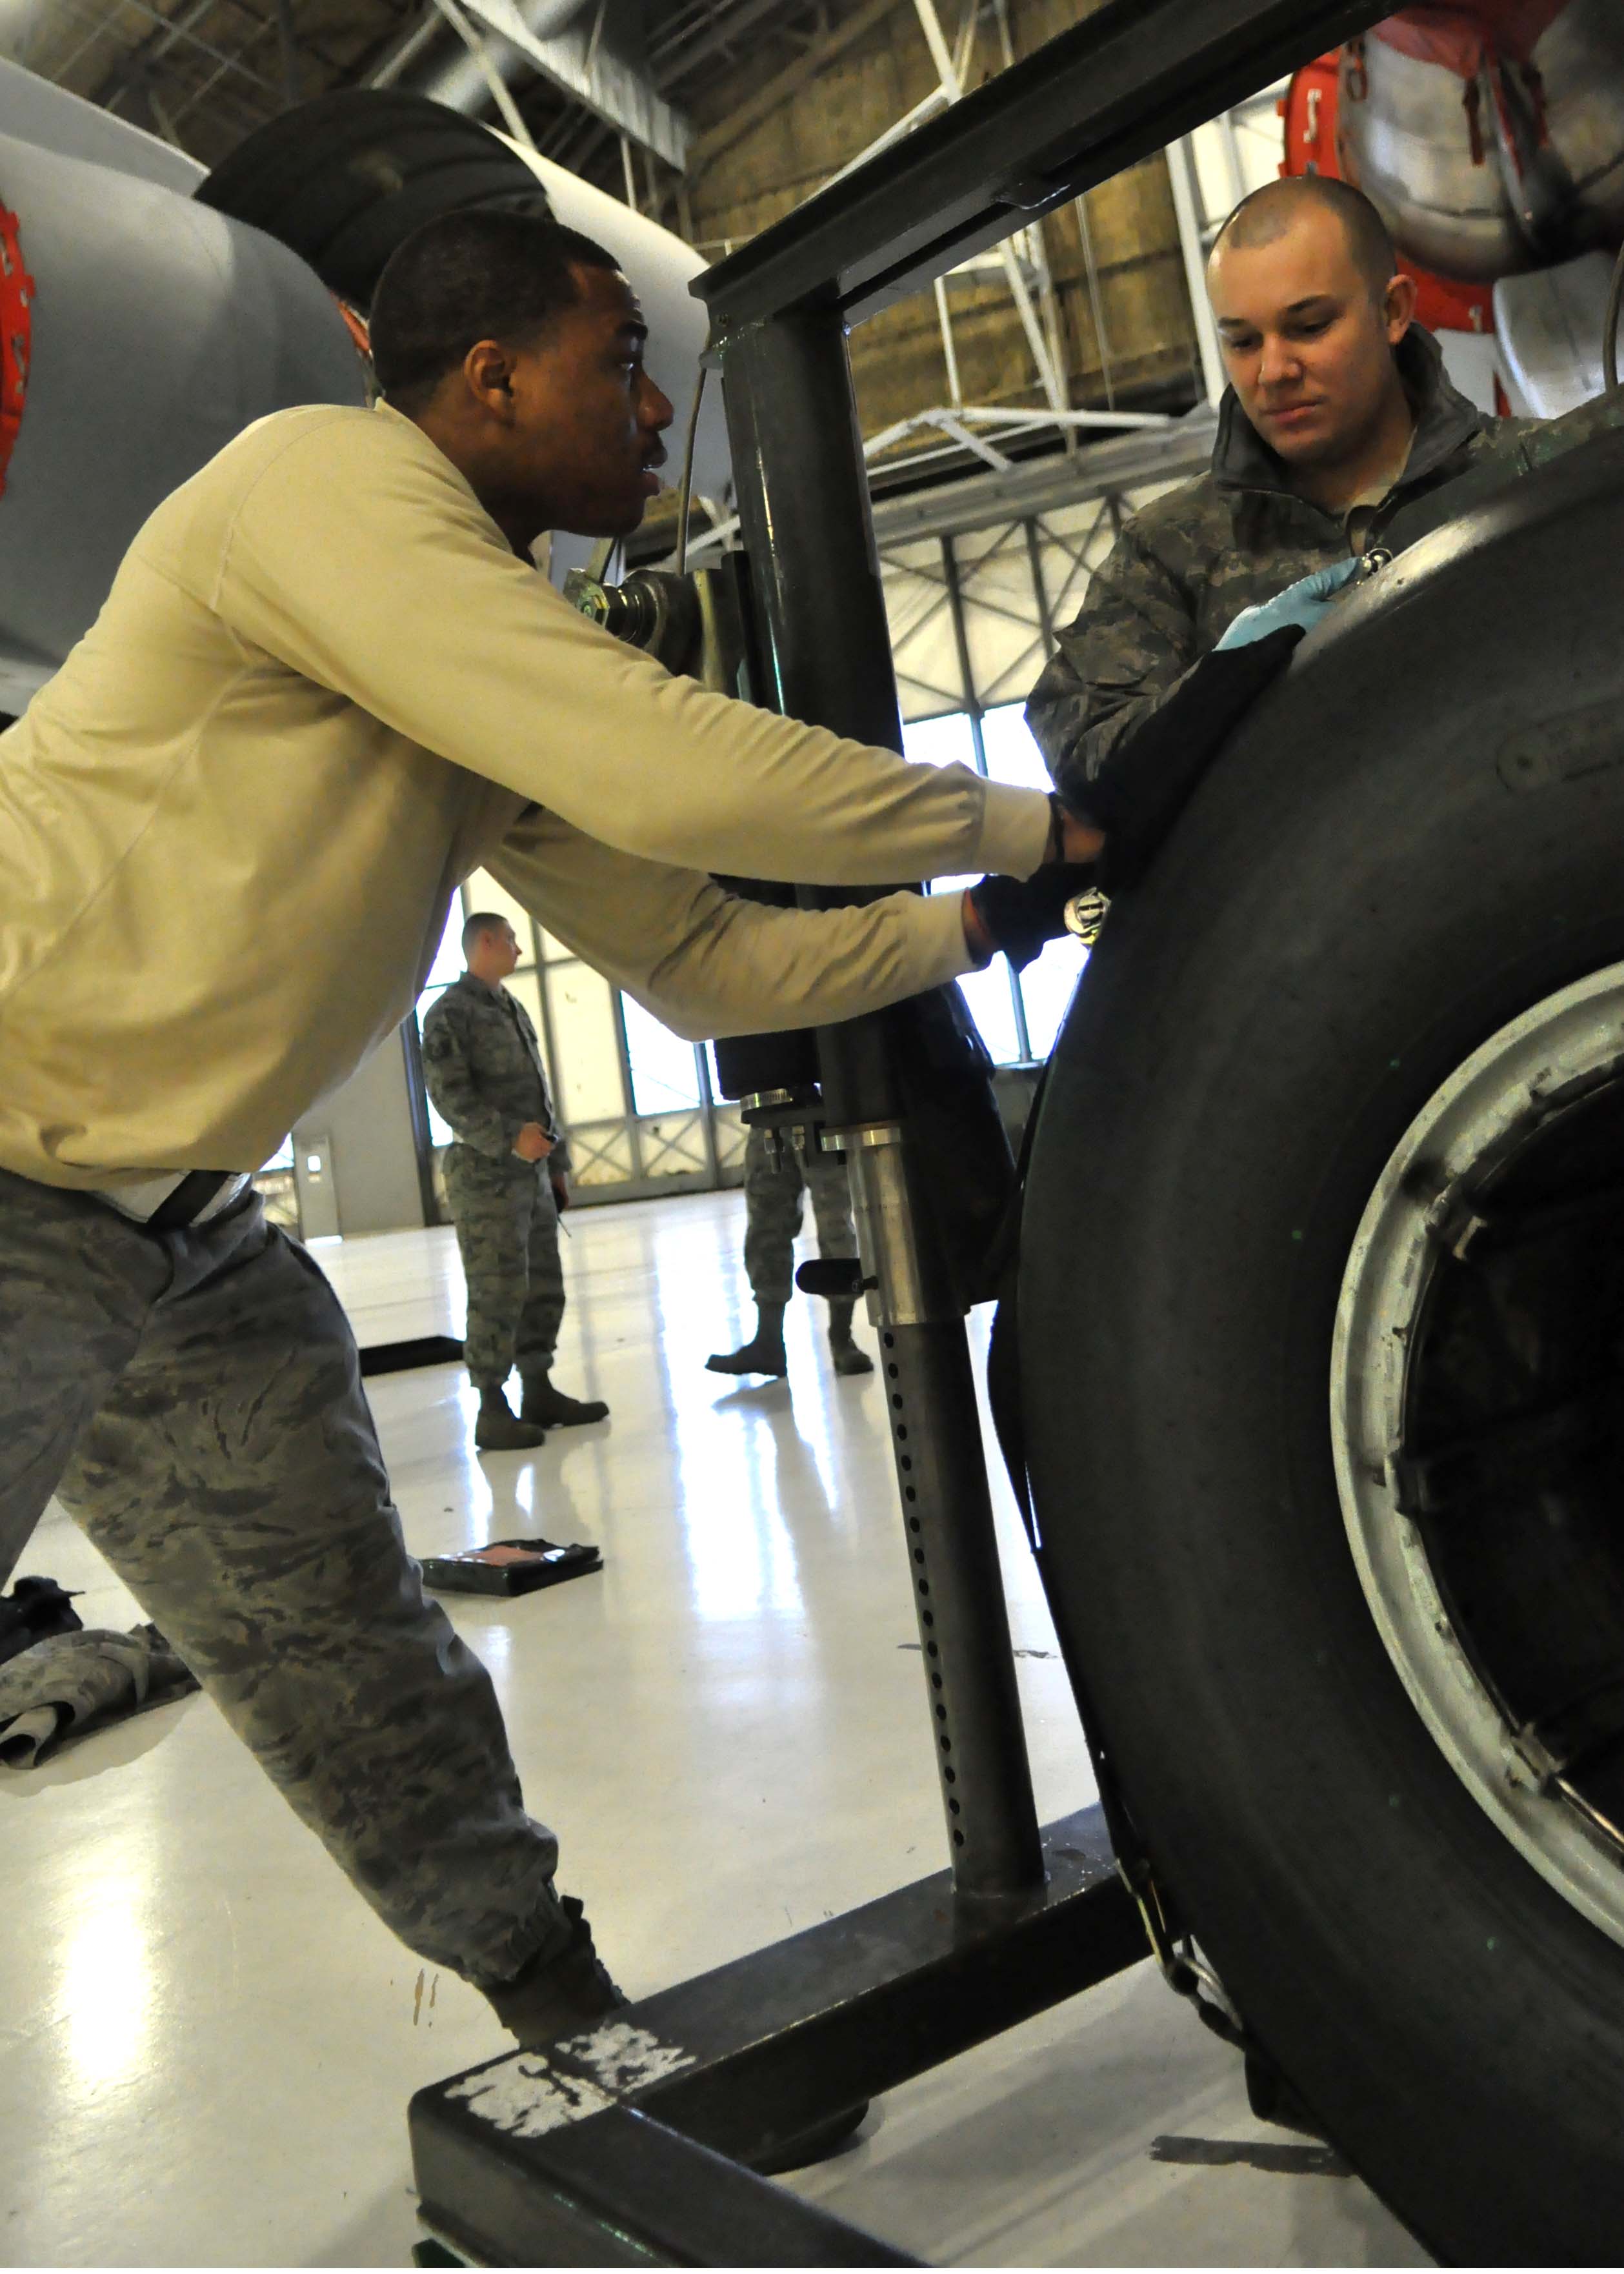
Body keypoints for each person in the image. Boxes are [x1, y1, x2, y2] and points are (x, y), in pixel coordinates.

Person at [0, 207, 1102, 2047]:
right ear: (489, 378)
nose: (655, 408)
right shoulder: (320, 484)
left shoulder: (467, 637)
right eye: (620, 360)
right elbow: (663, 754)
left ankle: (567, 2021)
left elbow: (698, 959)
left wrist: (971, 923)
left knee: (355, 1663)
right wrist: (1022, 822)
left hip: (181, 1237)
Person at [1027, 174, 1536, 809]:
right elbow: (1081, 755)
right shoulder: (1173, 551)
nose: (1273, 371)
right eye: (1242, 341)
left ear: (1394, 312)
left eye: (1309, 326)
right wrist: (1222, 683)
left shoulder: (1534, 475)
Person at [423, 911, 608, 1449]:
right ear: (484, 942)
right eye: (510, 940)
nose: (518, 950)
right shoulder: (448, 1015)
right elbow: (448, 1097)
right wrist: (508, 1137)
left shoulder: (509, 1008)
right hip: (486, 1179)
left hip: (531, 1177)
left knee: (542, 1286)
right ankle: (491, 1408)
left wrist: (556, 1165)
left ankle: (538, 1388)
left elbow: (539, 1093)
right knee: (496, 1291)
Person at [707, 1126, 873, 1381]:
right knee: (766, 1225)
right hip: (766, 1111)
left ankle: (842, 1339)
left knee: (835, 1225)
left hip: (821, 1111)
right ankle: (768, 1342)